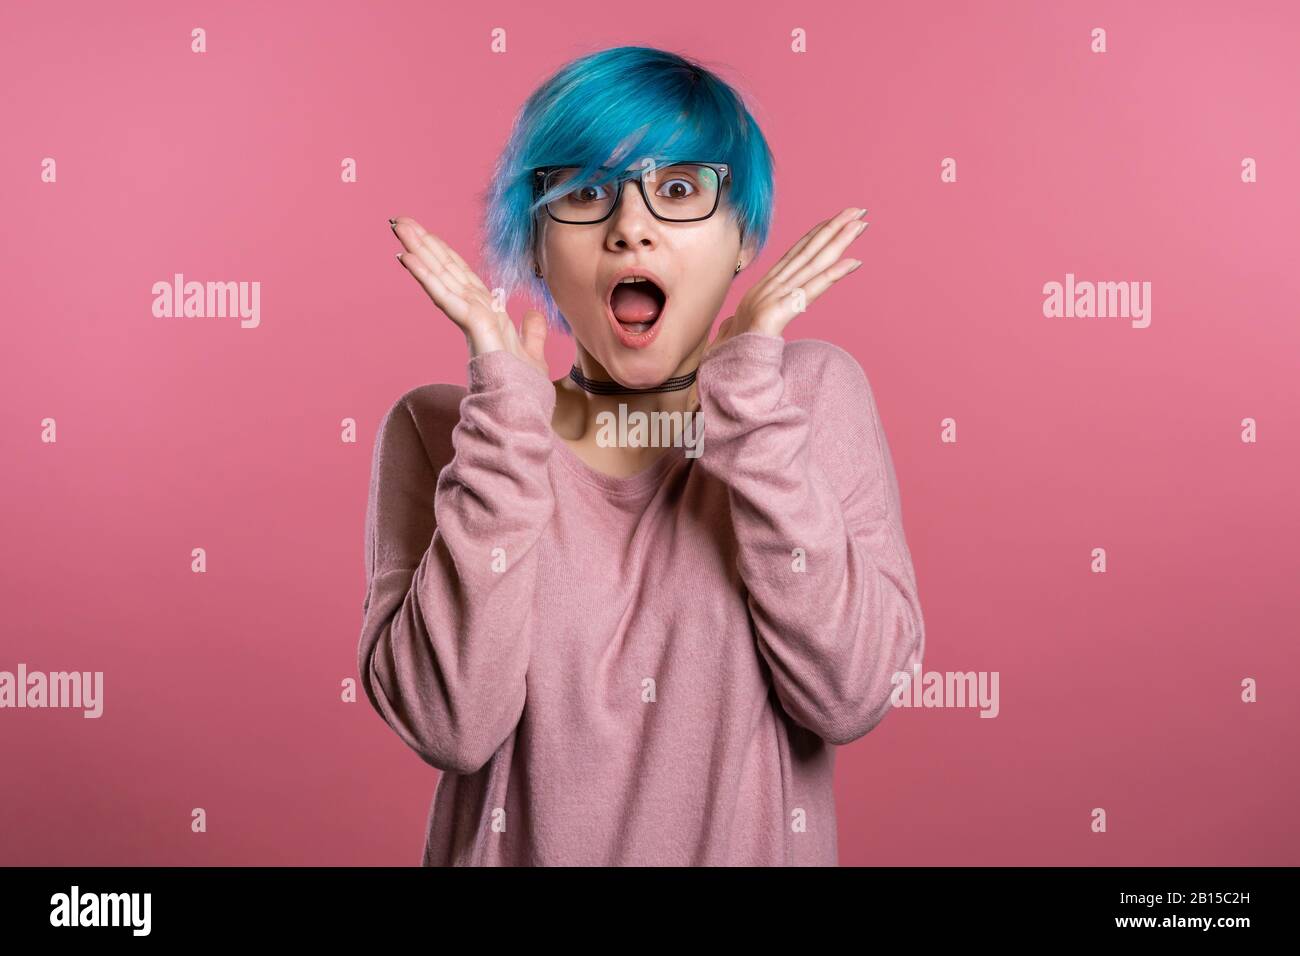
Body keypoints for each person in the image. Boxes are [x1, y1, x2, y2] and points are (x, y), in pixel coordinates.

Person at [358, 45, 925, 866]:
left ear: (742, 238)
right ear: (536, 247)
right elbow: (451, 724)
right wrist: (508, 427)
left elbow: (852, 693)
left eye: (681, 190)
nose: (631, 227)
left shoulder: (804, 399)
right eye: (586, 193)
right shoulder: (444, 431)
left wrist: (749, 401)